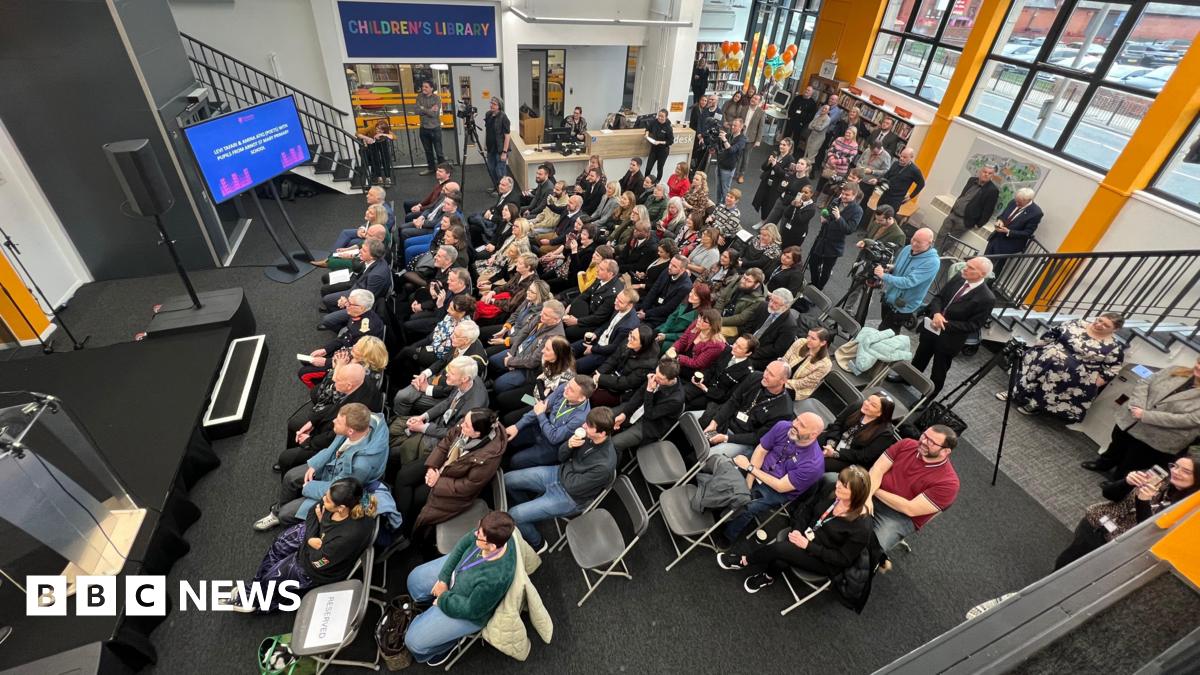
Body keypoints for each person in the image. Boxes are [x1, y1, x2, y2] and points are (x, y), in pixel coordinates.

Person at [227, 477, 376, 613]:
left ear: (341, 508)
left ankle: (256, 602)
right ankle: (255, 587)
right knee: (279, 544)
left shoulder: (348, 535)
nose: (324, 499)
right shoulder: (341, 498)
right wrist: (313, 537)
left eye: (328, 500)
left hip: (317, 568)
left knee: (275, 578)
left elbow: (317, 562)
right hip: (316, 540)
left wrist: (320, 524)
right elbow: (313, 511)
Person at [717, 465, 873, 594]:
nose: (838, 485)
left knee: (780, 549)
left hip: (824, 558)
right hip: (804, 534)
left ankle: (744, 561)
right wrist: (797, 529)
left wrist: (807, 545)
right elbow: (807, 509)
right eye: (839, 480)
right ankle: (769, 576)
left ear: (857, 494)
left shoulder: (861, 527)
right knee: (781, 557)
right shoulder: (833, 490)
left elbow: (842, 559)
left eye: (844, 486)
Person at [403, 511, 517, 665]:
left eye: (479, 537)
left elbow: (472, 610)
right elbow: (462, 545)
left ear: (491, 546)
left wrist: (443, 598)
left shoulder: (495, 579)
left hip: (469, 611)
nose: (475, 534)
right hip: (460, 574)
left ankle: (445, 646)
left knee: (413, 642)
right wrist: (443, 579)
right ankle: (430, 609)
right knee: (414, 580)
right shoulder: (489, 531)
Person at [255, 403, 387, 531]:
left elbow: (339, 489)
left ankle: (293, 524)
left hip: (338, 491)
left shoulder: (361, 466)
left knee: (286, 514)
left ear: (350, 431)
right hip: (333, 467)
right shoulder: (362, 420)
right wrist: (316, 465)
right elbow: (333, 447)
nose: (334, 421)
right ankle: (276, 513)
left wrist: (308, 487)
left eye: (339, 422)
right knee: (290, 477)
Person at [1055, 453, 1198, 570]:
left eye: (1186, 471)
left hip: (1119, 546)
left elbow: (1148, 532)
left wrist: (1143, 501)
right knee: (1066, 562)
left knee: (1083, 576)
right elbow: (1109, 494)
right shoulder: (1156, 478)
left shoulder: (1190, 509)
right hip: (1096, 524)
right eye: (1175, 466)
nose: (1175, 472)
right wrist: (1126, 482)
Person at [506, 407, 617, 551]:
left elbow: (573, 486)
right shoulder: (587, 437)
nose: (583, 426)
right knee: (507, 479)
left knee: (513, 515)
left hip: (569, 497)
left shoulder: (604, 465)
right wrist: (569, 445)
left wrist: (567, 466)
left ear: (602, 433)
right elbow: (561, 457)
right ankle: (528, 508)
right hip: (559, 473)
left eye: (589, 426)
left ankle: (538, 543)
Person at [1082, 357, 1200, 480]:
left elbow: (1191, 420)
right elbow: (1145, 382)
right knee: (1117, 443)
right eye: (1199, 362)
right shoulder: (1175, 370)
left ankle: (1117, 482)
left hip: (1161, 434)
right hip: (1131, 418)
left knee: (1134, 462)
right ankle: (1104, 464)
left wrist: (1145, 415)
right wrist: (1138, 406)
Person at [393, 408, 506, 535]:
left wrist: (437, 481)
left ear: (477, 434)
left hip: (452, 486)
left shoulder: (487, 459)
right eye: (464, 420)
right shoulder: (467, 425)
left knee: (416, 498)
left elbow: (467, 486)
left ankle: (402, 530)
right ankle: (398, 520)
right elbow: (446, 443)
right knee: (404, 475)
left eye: (467, 425)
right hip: (444, 465)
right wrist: (432, 467)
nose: (461, 425)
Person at [720, 413, 827, 544]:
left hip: (775, 488)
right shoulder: (783, 426)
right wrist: (748, 482)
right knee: (726, 470)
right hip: (758, 466)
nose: (794, 424)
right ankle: (716, 508)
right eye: (797, 419)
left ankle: (728, 536)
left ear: (813, 435)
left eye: (802, 425)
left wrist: (750, 469)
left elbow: (780, 486)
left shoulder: (814, 464)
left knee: (748, 505)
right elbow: (761, 450)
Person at [1001, 313, 1126, 421]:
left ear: (1115, 329)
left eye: (1106, 325)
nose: (1099, 324)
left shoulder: (1113, 346)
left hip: (1074, 372)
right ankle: (1012, 393)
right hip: (1047, 357)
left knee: (1052, 381)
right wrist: (1040, 344)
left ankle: (1034, 405)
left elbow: (1113, 366)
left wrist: (1100, 380)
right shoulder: (1077, 323)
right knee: (1036, 370)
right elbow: (1054, 332)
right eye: (1099, 320)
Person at [910, 256, 997, 397]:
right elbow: (939, 297)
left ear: (982, 274)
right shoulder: (958, 278)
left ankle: (926, 398)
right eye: (966, 265)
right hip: (931, 329)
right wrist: (937, 313)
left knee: (938, 372)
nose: (964, 269)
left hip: (949, 340)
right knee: (919, 358)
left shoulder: (987, 298)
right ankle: (907, 380)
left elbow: (974, 325)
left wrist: (945, 324)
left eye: (970, 268)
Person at [867, 425, 961, 552]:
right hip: (872, 491)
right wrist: (867, 495)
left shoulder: (949, 483)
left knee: (871, 548)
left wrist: (873, 490)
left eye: (931, 442)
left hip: (899, 516)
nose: (923, 441)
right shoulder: (907, 444)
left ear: (946, 451)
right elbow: (877, 469)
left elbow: (909, 508)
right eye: (925, 435)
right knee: (832, 483)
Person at [698, 361, 795, 459]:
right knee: (691, 423)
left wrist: (725, 438)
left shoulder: (784, 410)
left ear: (783, 381)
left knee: (706, 456)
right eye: (766, 370)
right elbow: (733, 401)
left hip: (742, 440)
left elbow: (757, 437)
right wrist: (715, 422)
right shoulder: (755, 377)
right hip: (727, 421)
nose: (765, 375)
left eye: (771, 374)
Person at [505, 374, 595, 470]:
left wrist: (541, 415)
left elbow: (554, 438)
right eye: (568, 384)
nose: (566, 388)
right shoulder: (564, 388)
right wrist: (517, 426)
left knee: (516, 461)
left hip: (551, 445)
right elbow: (541, 407)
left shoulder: (580, 417)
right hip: (541, 426)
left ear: (581, 398)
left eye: (571, 390)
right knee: (508, 439)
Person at [495, 336, 576, 425]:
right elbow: (541, 379)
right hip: (535, 393)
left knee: (509, 419)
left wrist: (540, 381)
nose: (542, 351)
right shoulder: (546, 358)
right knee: (502, 399)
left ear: (558, 355)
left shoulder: (565, 379)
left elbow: (545, 401)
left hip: (542, 406)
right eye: (544, 347)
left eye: (547, 349)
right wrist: (540, 382)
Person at [611, 358, 686, 452]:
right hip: (638, 409)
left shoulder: (676, 399)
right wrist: (625, 413)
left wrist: (649, 390)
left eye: (661, 378)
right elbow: (639, 395)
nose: (656, 378)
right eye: (656, 373)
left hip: (649, 425)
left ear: (670, 380)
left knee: (615, 443)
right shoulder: (658, 375)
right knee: (606, 417)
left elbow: (650, 414)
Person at [489, 301, 566, 393]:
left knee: (499, 386)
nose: (541, 314)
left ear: (556, 319)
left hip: (528, 371)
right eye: (542, 311)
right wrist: (512, 354)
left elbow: (533, 361)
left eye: (545, 314)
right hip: (517, 353)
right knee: (492, 361)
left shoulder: (554, 338)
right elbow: (523, 333)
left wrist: (511, 362)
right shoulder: (541, 317)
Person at [877, 227, 939, 333]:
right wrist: (889, 268)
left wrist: (884, 276)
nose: (914, 244)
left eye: (919, 242)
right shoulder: (907, 249)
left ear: (930, 243)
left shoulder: (932, 262)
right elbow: (898, 267)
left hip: (902, 307)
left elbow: (908, 282)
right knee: (885, 330)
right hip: (889, 297)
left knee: (885, 333)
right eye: (913, 239)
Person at [821, 394, 897, 473]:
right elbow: (838, 424)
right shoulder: (858, 407)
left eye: (873, 405)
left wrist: (834, 454)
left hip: (850, 459)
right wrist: (830, 444)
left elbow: (864, 456)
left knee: (823, 463)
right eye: (868, 400)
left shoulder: (885, 433)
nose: (866, 404)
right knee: (813, 442)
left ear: (880, 413)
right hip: (835, 442)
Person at [807, 184, 862, 290]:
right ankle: (814, 284)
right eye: (843, 193)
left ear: (854, 195)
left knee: (826, 270)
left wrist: (839, 218)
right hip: (822, 238)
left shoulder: (857, 210)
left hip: (835, 244)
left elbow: (849, 230)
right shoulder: (836, 201)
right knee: (812, 262)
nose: (844, 196)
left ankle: (818, 289)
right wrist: (824, 218)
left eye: (847, 195)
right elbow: (827, 214)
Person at [574, 288, 640, 375]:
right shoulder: (619, 307)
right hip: (598, 341)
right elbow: (607, 324)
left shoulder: (628, 326)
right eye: (617, 298)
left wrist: (593, 349)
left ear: (630, 305)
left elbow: (613, 348)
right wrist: (596, 334)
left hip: (605, 353)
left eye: (620, 301)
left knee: (576, 366)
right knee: (569, 348)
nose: (615, 302)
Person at [684, 334, 758, 409]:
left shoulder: (747, 373)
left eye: (739, 347)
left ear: (748, 353)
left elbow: (729, 396)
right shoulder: (727, 350)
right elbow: (712, 368)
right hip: (704, 383)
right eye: (736, 343)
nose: (734, 347)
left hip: (715, 398)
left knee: (688, 406)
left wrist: (706, 389)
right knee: (681, 394)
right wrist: (702, 378)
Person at [591, 324, 659, 406]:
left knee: (593, 397)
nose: (629, 338)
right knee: (587, 383)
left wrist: (601, 378)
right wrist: (597, 373)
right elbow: (613, 359)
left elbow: (627, 383)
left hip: (622, 392)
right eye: (631, 334)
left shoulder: (648, 364)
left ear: (642, 345)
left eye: (634, 338)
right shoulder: (628, 342)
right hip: (613, 377)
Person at [937, 164, 999, 250]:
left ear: (993, 175)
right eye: (984, 172)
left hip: (964, 221)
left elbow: (988, 210)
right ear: (980, 172)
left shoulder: (992, 190)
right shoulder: (971, 180)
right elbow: (963, 195)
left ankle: (937, 257)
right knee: (941, 235)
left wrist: (979, 224)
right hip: (954, 214)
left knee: (949, 240)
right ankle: (932, 254)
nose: (986, 174)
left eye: (989, 173)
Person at [984, 187, 1043, 276]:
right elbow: (1002, 215)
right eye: (1016, 200)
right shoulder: (1013, 202)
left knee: (994, 269)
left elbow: (1028, 233)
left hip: (1008, 245)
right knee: (983, 262)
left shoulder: (1036, 213)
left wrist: (1009, 231)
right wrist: (1000, 221)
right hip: (996, 238)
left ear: (1028, 200)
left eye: (1020, 202)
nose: (1016, 203)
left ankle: (987, 286)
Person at [745, 288, 800, 369]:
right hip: (746, 342)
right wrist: (744, 342)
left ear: (786, 306)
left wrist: (751, 352)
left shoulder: (790, 326)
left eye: (776, 303)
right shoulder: (763, 306)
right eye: (771, 300)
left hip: (761, 356)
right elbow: (748, 325)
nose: (770, 304)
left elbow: (776, 350)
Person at [666, 308, 727, 377]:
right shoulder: (696, 324)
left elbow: (697, 363)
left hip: (693, 370)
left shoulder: (716, 344)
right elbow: (682, 341)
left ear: (712, 326)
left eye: (704, 321)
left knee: (666, 370)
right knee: (665, 359)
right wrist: (673, 348)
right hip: (682, 358)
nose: (699, 320)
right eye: (700, 317)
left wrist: (678, 358)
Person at [635, 254, 693, 328]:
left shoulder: (685, 287)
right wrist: (643, 309)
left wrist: (646, 314)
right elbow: (653, 291)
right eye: (670, 263)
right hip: (650, 306)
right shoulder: (667, 271)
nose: (670, 267)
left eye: (674, 266)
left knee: (638, 328)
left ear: (682, 270)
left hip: (660, 317)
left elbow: (669, 308)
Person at [781, 327, 833, 401]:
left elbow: (803, 383)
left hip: (797, 389)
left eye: (813, 338)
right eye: (808, 336)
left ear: (823, 343)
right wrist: (778, 374)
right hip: (782, 377)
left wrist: (781, 382)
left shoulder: (825, 364)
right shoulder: (800, 342)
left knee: (773, 390)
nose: (808, 339)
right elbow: (784, 359)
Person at [657, 283, 711, 349]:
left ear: (702, 299)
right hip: (667, 328)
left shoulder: (701, 316)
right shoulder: (686, 301)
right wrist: (663, 330)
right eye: (691, 292)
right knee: (653, 333)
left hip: (678, 339)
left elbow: (687, 335)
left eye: (695, 295)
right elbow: (672, 316)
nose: (690, 295)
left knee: (661, 345)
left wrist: (666, 336)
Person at [753, 138, 795, 219]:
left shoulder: (791, 160)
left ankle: (765, 222)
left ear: (789, 147)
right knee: (762, 200)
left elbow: (786, 175)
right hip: (766, 182)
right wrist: (768, 162)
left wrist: (775, 165)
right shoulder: (775, 154)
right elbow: (763, 167)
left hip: (776, 186)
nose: (781, 146)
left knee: (770, 205)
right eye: (780, 144)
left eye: (784, 145)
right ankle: (762, 220)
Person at [876, 146, 925, 212]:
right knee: (877, 214)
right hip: (885, 195)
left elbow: (921, 184)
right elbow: (886, 176)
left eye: (904, 157)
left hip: (895, 200)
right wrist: (877, 181)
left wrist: (911, 196)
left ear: (911, 158)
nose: (901, 158)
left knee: (886, 219)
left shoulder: (915, 170)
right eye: (901, 156)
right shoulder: (895, 163)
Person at [415, 80, 445, 174]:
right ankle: (431, 169)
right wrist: (428, 110)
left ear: (432, 88)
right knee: (428, 151)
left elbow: (434, 114)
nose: (423, 88)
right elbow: (416, 110)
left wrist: (423, 109)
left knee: (439, 152)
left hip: (435, 128)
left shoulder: (436, 98)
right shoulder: (419, 97)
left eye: (426, 87)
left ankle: (443, 171)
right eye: (423, 86)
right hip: (423, 128)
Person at [715, 117, 747, 204]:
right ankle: (718, 205)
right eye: (732, 125)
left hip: (728, 168)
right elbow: (720, 146)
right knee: (718, 188)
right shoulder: (730, 135)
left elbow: (732, 150)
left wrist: (724, 139)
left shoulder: (742, 140)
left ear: (741, 127)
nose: (732, 127)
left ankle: (726, 208)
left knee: (725, 190)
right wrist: (721, 138)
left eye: (735, 126)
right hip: (720, 164)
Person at [736, 93, 765, 183]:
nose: (753, 99)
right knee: (737, 155)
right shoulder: (744, 108)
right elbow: (738, 121)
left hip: (751, 139)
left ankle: (741, 174)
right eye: (753, 98)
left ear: (759, 102)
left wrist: (758, 140)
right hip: (740, 136)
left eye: (756, 99)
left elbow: (761, 127)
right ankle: (734, 172)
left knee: (745, 157)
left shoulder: (761, 112)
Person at [484, 96, 512, 190]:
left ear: (499, 106)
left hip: (500, 149)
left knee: (500, 171)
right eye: (491, 103)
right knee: (491, 169)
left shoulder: (503, 117)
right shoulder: (488, 115)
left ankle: (504, 189)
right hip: (491, 148)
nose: (492, 105)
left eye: (494, 104)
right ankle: (496, 187)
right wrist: (485, 144)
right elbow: (487, 131)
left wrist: (504, 152)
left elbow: (507, 136)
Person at [644, 108, 675, 182]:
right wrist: (647, 134)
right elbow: (648, 128)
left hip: (663, 151)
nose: (660, 118)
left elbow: (670, 141)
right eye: (659, 116)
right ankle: (646, 181)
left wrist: (660, 142)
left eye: (662, 117)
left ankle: (657, 183)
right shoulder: (654, 122)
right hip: (654, 149)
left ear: (666, 117)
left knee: (659, 168)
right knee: (648, 167)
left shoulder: (668, 128)